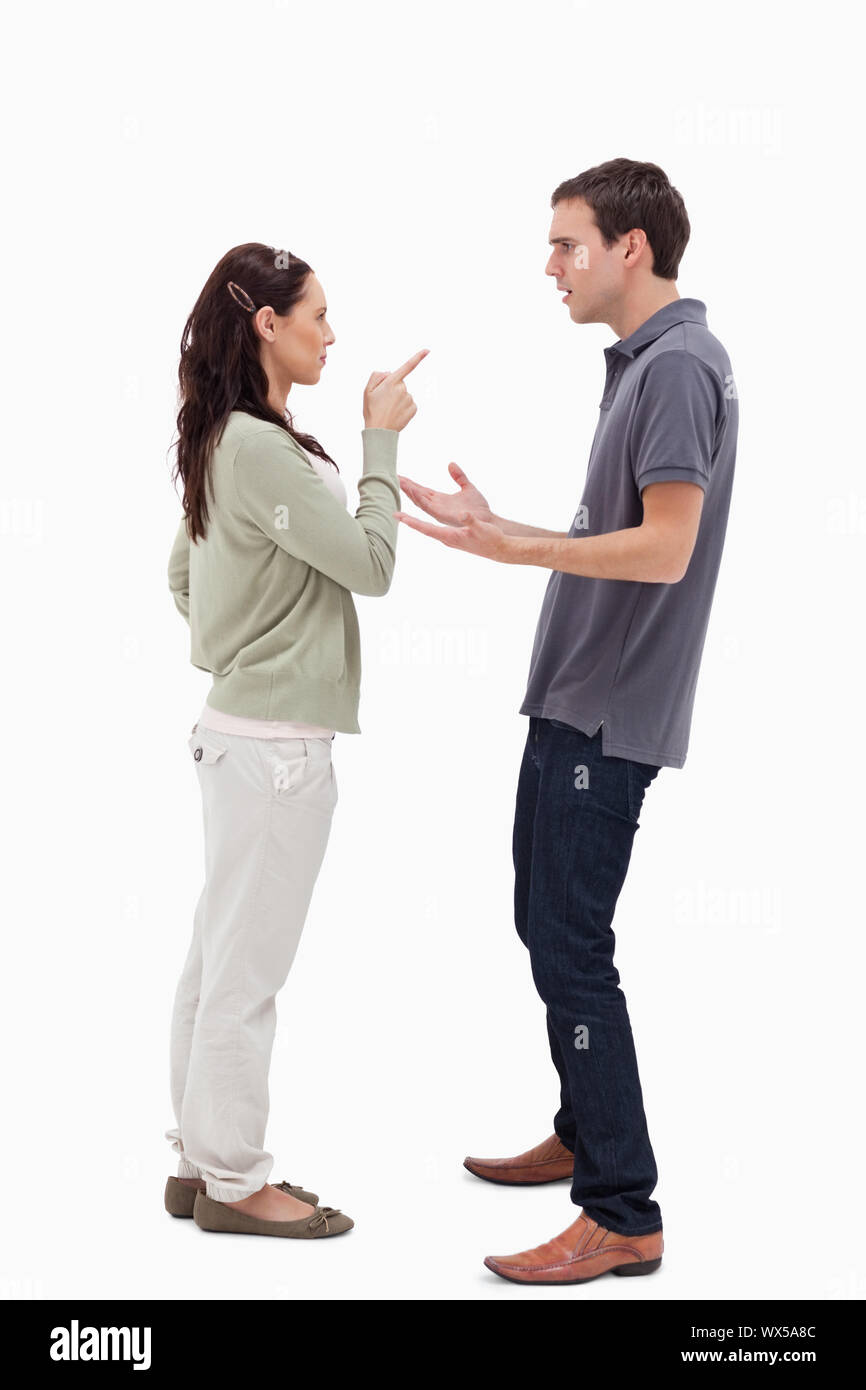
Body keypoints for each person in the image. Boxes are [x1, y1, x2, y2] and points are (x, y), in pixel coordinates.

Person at [395, 157, 738, 1284]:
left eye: (566, 244)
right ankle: (586, 1130)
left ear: (628, 248)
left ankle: (620, 1209)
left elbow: (667, 545)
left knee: (571, 949)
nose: (551, 266)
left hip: (608, 718)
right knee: (544, 930)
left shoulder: (680, 366)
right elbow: (619, 536)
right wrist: (504, 527)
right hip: (569, 704)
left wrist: (516, 544)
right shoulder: (643, 365)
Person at [164, 240, 426, 1240]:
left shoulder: (224, 440)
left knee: (216, 956)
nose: (330, 332)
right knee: (244, 971)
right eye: (316, 315)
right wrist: (379, 444)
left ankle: (198, 1161)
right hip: (273, 747)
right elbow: (370, 565)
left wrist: (230, 641)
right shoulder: (262, 448)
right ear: (267, 324)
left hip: (237, 734)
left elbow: (184, 577)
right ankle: (234, 1178)